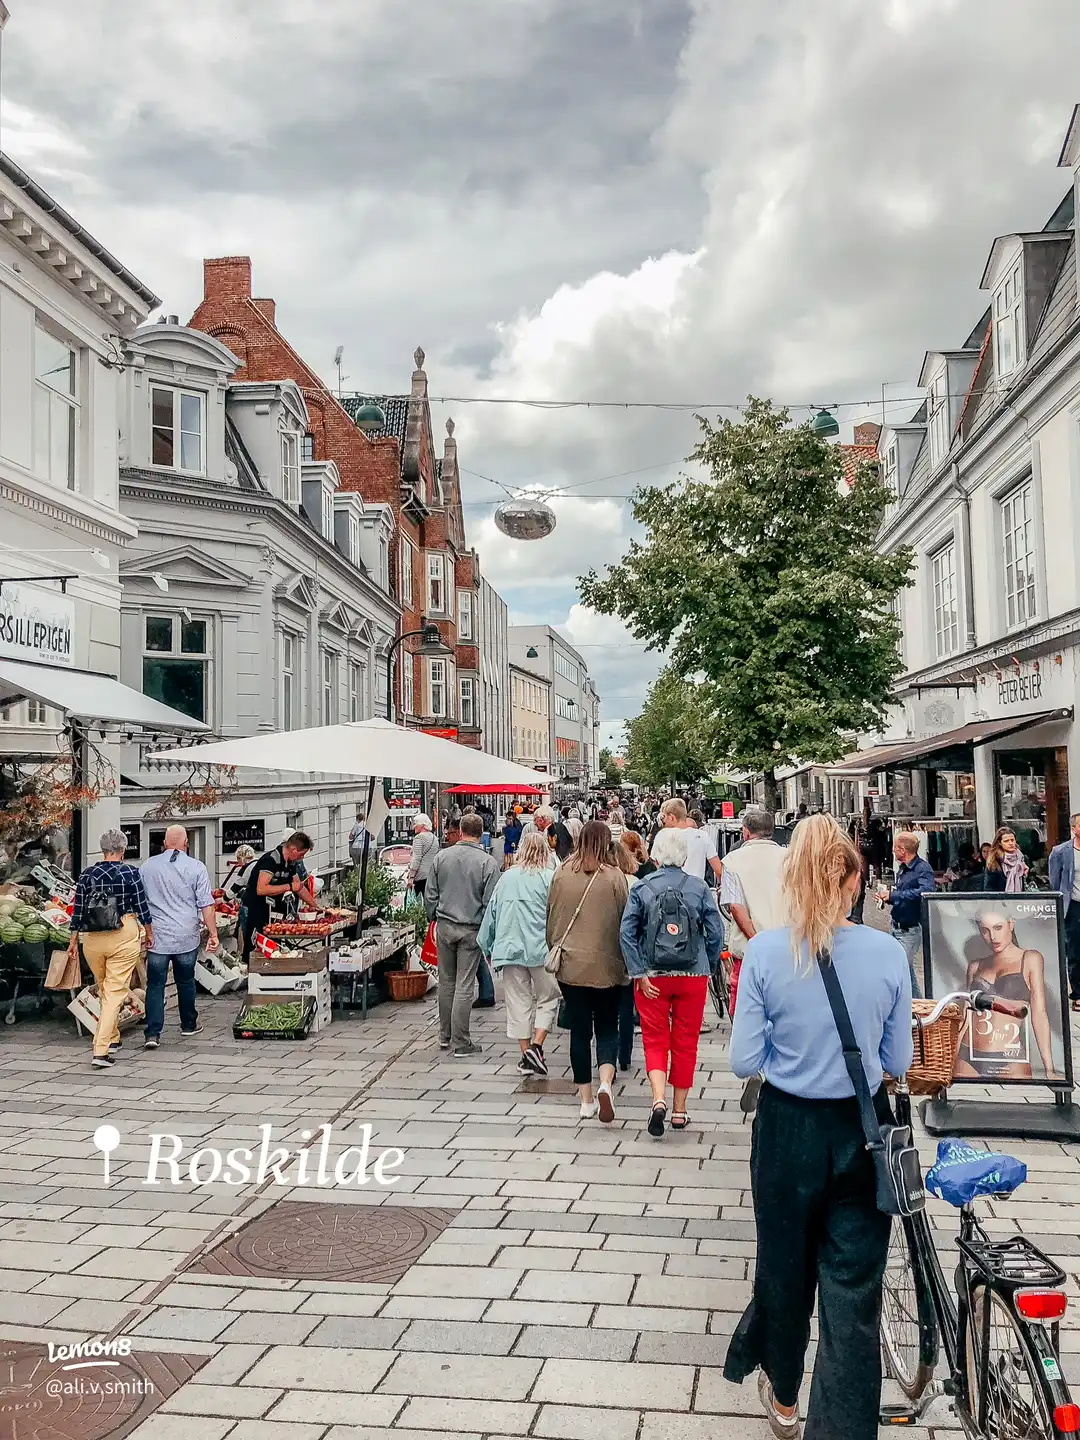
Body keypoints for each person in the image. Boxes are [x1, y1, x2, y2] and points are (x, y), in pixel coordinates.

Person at [725, 814, 913, 1440]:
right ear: (853, 881)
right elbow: (898, 1062)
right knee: (853, 1290)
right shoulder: (887, 954)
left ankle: (783, 1397)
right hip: (862, 1129)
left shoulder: (766, 954)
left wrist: (790, 1045)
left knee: (784, 1265)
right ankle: (842, 1428)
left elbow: (743, 1061)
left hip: (786, 1128)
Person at [620, 827, 724, 1136]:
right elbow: (715, 930)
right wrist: (709, 962)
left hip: (653, 976)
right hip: (692, 975)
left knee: (654, 1039)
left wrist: (638, 971)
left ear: (655, 853)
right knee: (685, 1041)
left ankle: (658, 1099)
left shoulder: (642, 887)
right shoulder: (698, 887)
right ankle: (680, 1110)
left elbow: (627, 932)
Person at [546, 819, 629, 1121]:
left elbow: (551, 917)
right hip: (608, 965)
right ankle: (606, 1082)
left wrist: (554, 946)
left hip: (571, 965)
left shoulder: (562, 873)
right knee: (608, 1027)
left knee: (579, 1032)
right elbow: (625, 921)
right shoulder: (615, 877)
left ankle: (585, 1099)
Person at [67, 830, 154, 1070]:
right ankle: (101, 1049)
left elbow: (77, 910)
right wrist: (149, 932)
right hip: (123, 934)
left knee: (105, 987)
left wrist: (73, 940)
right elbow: (142, 906)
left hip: (92, 938)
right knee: (115, 992)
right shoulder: (130, 873)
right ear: (123, 849)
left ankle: (113, 1038)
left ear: (102, 849)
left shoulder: (86, 875)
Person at [478, 831, 559, 1076]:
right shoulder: (551, 878)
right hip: (542, 949)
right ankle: (537, 1045)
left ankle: (526, 1055)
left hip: (510, 948)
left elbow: (491, 913)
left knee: (518, 1003)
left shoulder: (507, 878)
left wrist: (487, 945)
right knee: (549, 997)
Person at [425, 813, 500, 1056]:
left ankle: (444, 1036)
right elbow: (491, 902)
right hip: (471, 928)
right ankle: (461, 1041)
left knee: (446, 982)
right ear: (480, 832)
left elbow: (430, 894)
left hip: (445, 926)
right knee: (465, 984)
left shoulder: (441, 857)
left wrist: (433, 916)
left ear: (460, 830)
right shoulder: (487, 863)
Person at [953, 907, 1058, 1080]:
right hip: (969, 1053)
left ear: (1011, 924)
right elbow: (966, 1016)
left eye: (998, 928)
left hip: (1010, 1055)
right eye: (985, 931)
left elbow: (1039, 1013)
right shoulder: (975, 966)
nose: (993, 937)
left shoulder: (1030, 959)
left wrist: (1050, 1068)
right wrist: (950, 1059)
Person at [139, 824, 218, 1050]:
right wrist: (213, 933)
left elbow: (141, 901)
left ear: (164, 844)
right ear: (186, 844)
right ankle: (188, 1023)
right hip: (186, 934)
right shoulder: (196, 867)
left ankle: (153, 1033)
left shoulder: (147, 867)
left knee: (155, 984)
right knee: (185, 980)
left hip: (158, 936)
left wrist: (146, 929)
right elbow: (206, 904)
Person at [875, 830, 934, 998]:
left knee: (901, 967)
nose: (892, 850)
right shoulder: (902, 869)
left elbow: (926, 892)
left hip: (911, 928)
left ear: (903, 849)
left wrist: (894, 895)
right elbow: (904, 894)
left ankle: (912, 1001)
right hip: (896, 924)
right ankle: (915, 1001)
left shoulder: (922, 869)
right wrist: (889, 898)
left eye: (895, 847)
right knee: (904, 968)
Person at [241, 832, 313, 964]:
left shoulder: (290, 863)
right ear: (293, 849)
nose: (301, 858)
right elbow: (261, 889)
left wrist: (315, 906)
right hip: (257, 910)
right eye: (301, 854)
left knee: (275, 949)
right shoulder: (271, 860)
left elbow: (299, 887)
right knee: (255, 949)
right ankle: (251, 974)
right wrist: (289, 886)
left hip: (275, 913)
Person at [1049, 814, 1080, 1010]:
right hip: (1074, 905)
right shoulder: (1061, 852)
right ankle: (1077, 993)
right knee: (1075, 950)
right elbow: (1055, 880)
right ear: (1073, 829)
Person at [659, 798, 723, 885]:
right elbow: (718, 869)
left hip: (670, 891)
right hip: (696, 890)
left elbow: (657, 868)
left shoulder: (664, 837)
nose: (663, 821)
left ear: (671, 817)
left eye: (664, 817)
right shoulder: (703, 836)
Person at [983, 825, 1028, 893]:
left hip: (1020, 900)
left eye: (1012, 840)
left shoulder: (1020, 858)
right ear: (1000, 843)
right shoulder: (994, 862)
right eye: (1006, 841)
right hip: (1002, 901)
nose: (1010, 843)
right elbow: (989, 890)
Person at [407, 813, 439, 901]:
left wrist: (411, 877)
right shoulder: (435, 839)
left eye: (415, 824)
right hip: (432, 875)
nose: (414, 827)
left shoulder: (419, 838)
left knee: (418, 902)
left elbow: (416, 858)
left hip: (420, 876)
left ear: (422, 825)